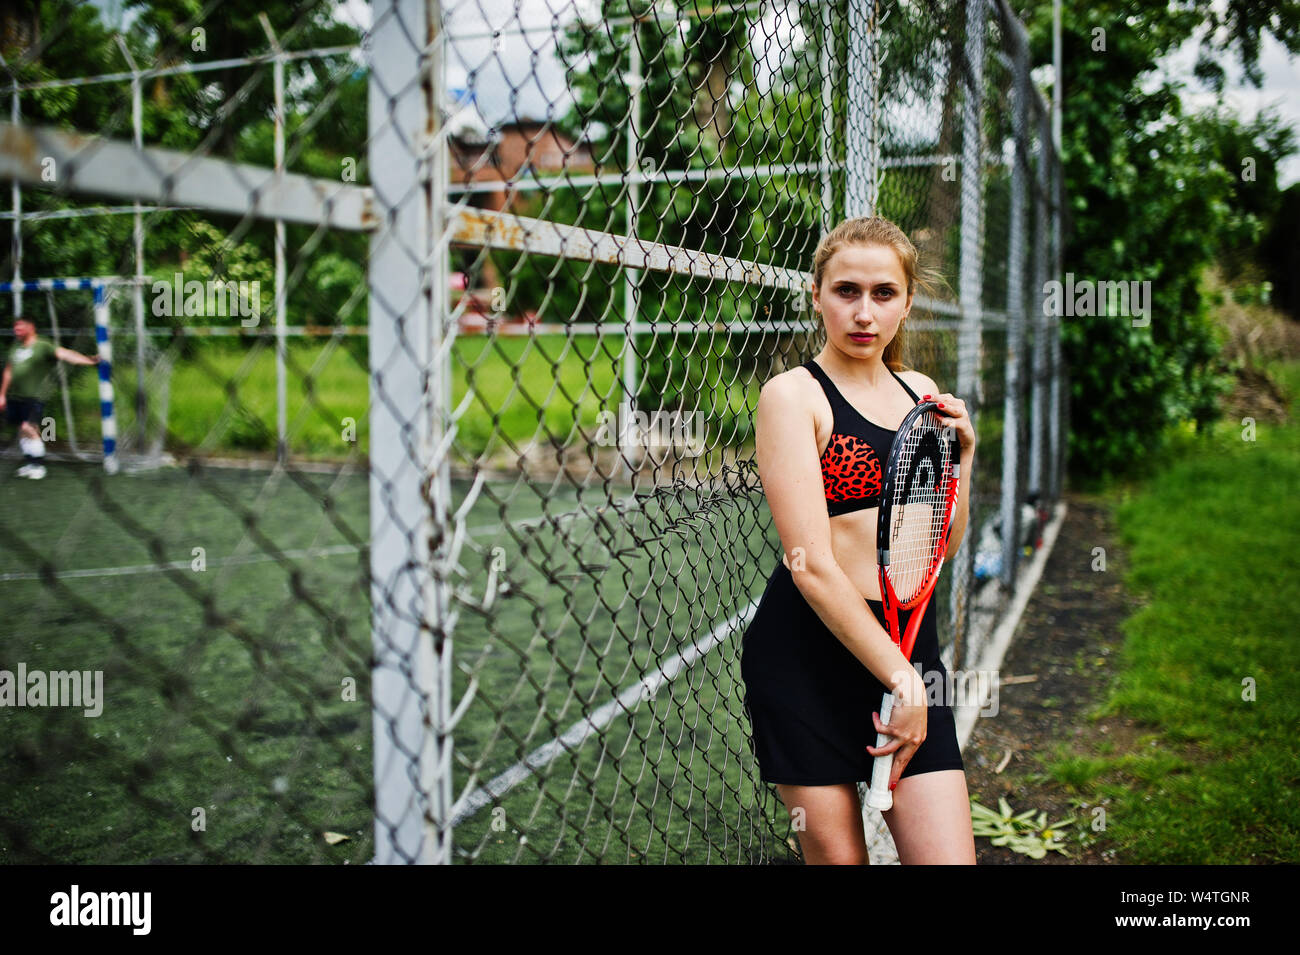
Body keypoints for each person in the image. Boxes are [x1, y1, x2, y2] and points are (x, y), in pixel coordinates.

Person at [740, 216, 978, 865]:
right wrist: (902, 682)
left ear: (907, 298)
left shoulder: (923, 397)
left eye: (883, 292)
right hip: (806, 657)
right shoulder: (793, 396)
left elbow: (939, 547)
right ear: (816, 294)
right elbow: (811, 564)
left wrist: (963, 459)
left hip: (907, 644)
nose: (864, 311)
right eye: (846, 290)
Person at [1, 315, 100, 480]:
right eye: (15, 328)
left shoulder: (42, 346)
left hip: (34, 397)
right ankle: (30, 463)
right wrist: (2, 395)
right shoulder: (16, 347)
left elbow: (65, 354)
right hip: (15, 397)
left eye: (20, 327)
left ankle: (39, 466)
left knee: (29, 428)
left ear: (30, 327)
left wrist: (88, 360)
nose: (16, 330)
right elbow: (9, 371)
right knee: (22, 430)